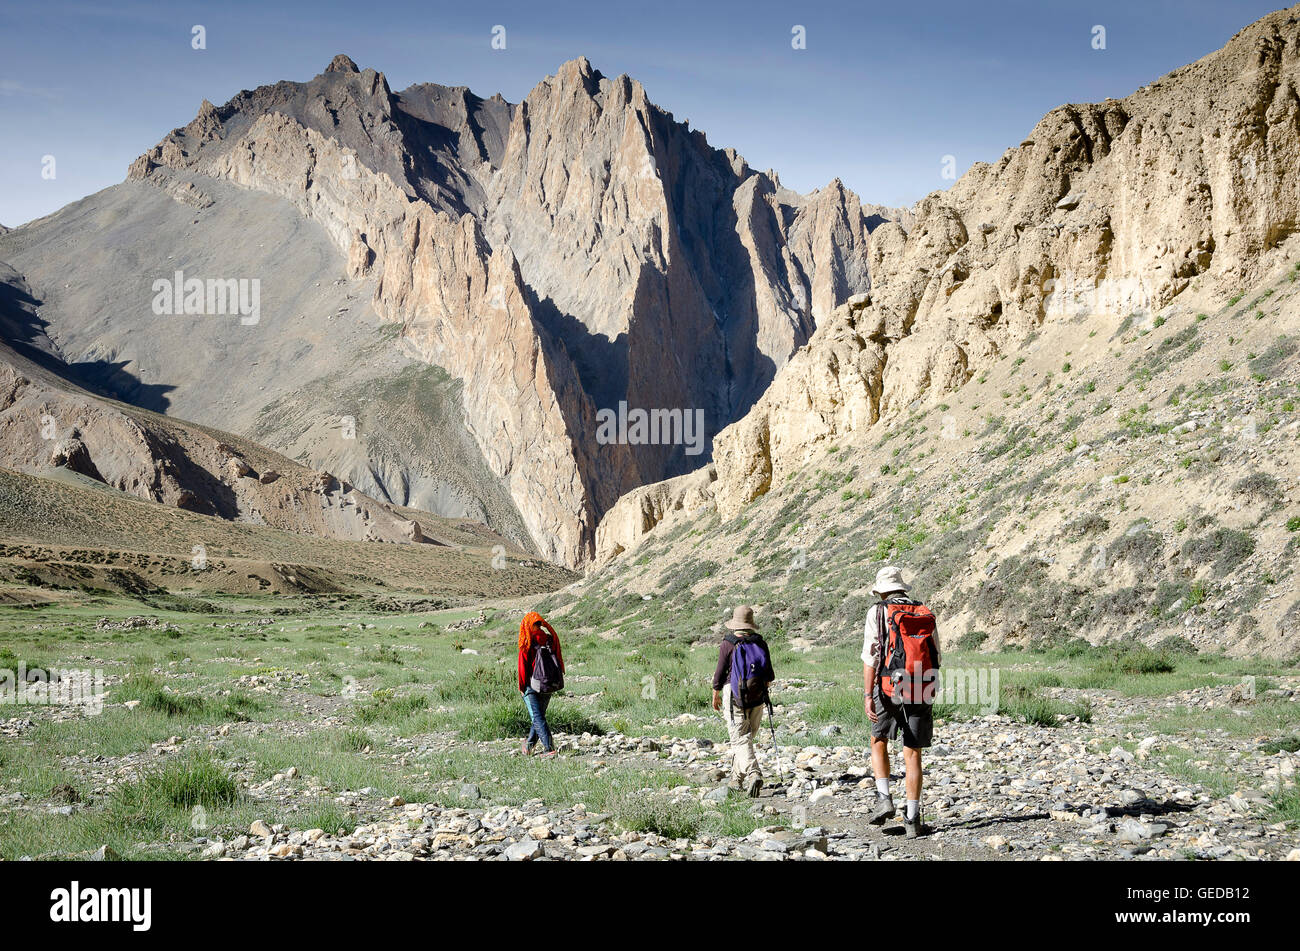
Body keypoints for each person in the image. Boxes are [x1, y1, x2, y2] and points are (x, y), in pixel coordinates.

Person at [861, 566, 941, 838]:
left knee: (879, 739)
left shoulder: (878, 611)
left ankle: (884, 798)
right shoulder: (923, 610)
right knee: (913, 752)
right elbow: (936, 653)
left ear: (881, 590)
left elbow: (870, 656)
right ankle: (912, 819)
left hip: (888, 685)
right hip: (921, 683)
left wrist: (868, 695)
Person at [711, 605, 776, 797]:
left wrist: (715, 691)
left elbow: (719, 672)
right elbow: (770, 675)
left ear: (735, 623)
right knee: (745, 739)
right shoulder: (760, 643)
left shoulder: (728, 643)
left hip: (733, 695)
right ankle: (736, 780)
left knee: (739, 740)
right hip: (757, 696)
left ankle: (754, 773)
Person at [518, 611, 565, 756]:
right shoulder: (550, 638)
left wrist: (521, 686)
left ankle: (549, 748)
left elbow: (522, 666)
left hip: (532, 683)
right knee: (539, 716)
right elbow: (558, 655)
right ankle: (529, 746)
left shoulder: (527, 640)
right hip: (549, 682)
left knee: (537, 717)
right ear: (540, 624)